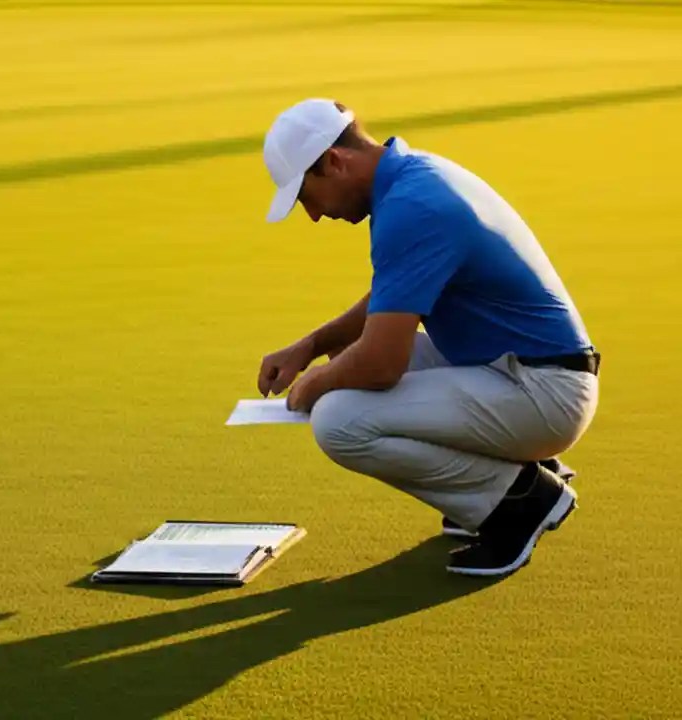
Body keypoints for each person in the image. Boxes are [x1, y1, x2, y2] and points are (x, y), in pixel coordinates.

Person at [257, 98, 600, 577]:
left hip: (545, 393)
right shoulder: (413, 179)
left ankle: (519, 500)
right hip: (520, 370)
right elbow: (391, 295)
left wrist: (314, 385)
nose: (313, 215)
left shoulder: (411, 208)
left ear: (334, 161)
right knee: (344, 357)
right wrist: (313, 346)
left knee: (336, 419)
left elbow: (382, 364)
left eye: (306, 195)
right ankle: (508, 482)